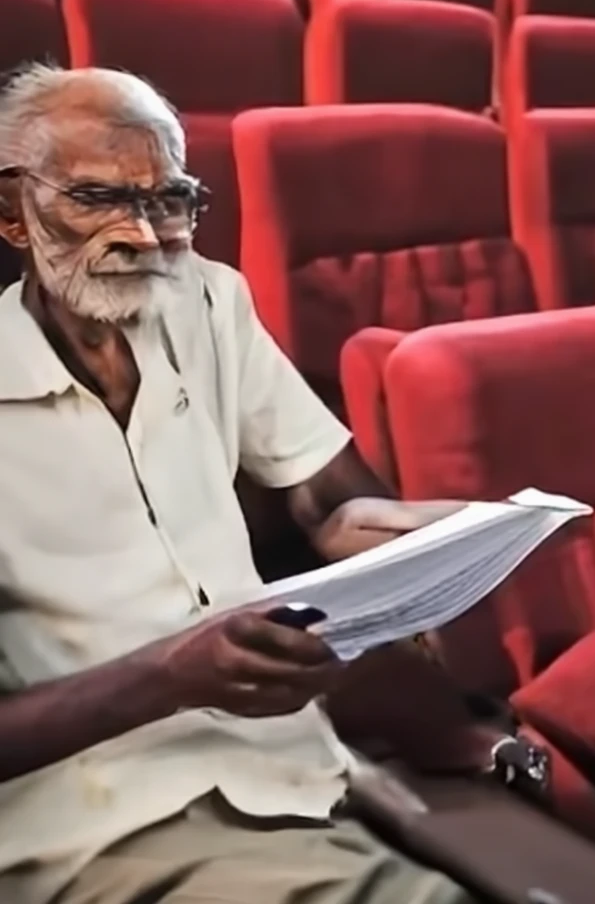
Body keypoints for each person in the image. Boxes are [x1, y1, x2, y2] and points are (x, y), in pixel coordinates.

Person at [0, 63, 537, 904]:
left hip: (291, 758)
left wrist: (448, 539)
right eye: (99, 200)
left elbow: (326, 501)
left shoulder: (207, 303)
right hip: (97, 814)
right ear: (12, 216)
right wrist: (173, 675)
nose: (144, 235)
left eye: (168, 200)